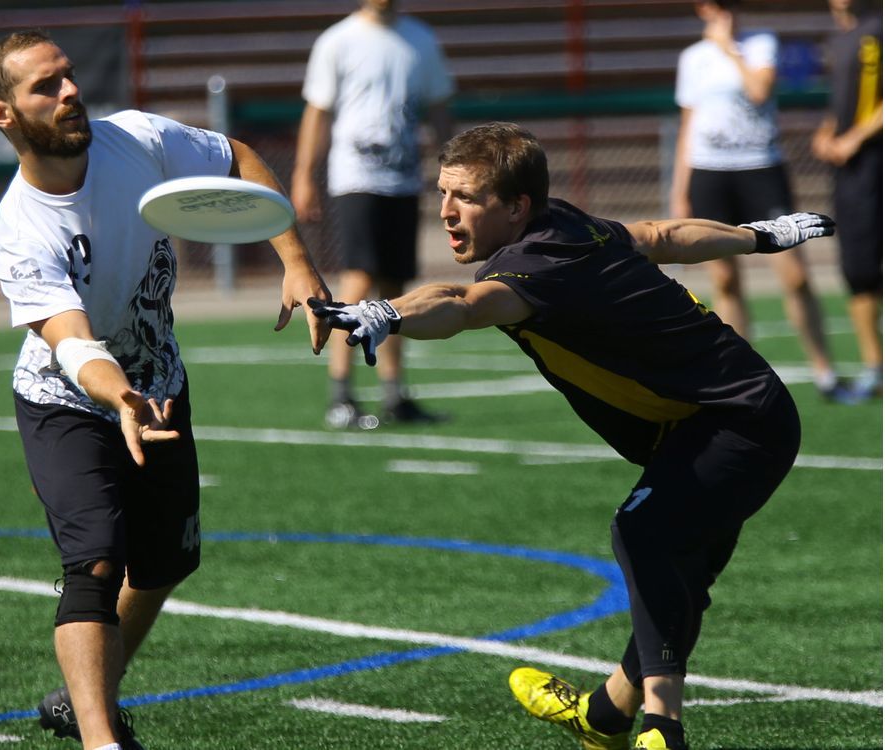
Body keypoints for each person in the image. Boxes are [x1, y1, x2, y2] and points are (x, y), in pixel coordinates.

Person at [309, 122, 835, 750]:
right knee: (678, 575)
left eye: (467, 198)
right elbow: (657, 236)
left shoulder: (530, 268)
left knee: (642, 534)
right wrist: (758, 236)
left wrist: (390, 313)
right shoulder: (565, 222)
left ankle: (663, 729)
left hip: (736, 422)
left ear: (515, 206)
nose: (446, 212)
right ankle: (605, 718)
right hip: (720, 414)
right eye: (443, 193)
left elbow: (462, 304)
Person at [0, 30, 330, 750]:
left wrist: (294, 258)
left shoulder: (136, 136)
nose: (70, 91)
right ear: (1, 114)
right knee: (96, 560)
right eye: (46, 86)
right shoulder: (21, 229)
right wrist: (117, 395)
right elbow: (71, 340)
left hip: (159, 384)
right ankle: (101, 739)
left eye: (68, 76)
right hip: (67, 399)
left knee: (166, 562)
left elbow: (237, 158)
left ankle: (79, 702)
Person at [671, 0, 848, 401]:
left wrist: (728, 49)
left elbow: (759, 89)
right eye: (717, 7)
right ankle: (744, 376)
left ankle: (826, 372)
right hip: (710, 172)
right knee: (725, 279)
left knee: (795, 275)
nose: (726, 13)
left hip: (760, 169)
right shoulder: (693, 58)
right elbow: (689, 124)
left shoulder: (760, 44)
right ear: (703, 9)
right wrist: (680, 191)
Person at [291, 0, 454, 429]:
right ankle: (341, 393)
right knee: (359, 277)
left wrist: (451, 167)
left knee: (396, 286)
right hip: (355, 179)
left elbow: (438, 108)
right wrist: (305, 175)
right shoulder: (338, 41)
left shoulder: (420, 38)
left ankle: (395, 393)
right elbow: (318, 112)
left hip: (402, 179)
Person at [811, 0, 883, 401]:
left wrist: (857, 136)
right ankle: (875, 368)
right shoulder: (840, 37)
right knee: (860, 268)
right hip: (852, 170)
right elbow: (841, 104)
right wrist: (828, 133)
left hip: (874, 157)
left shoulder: (879, 28)